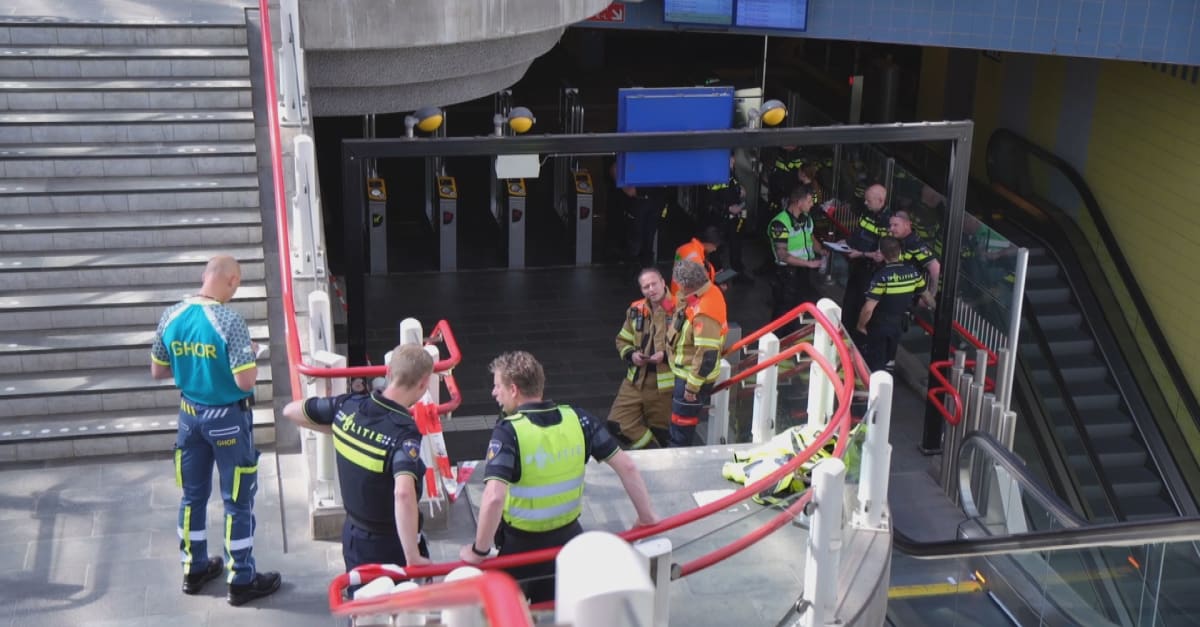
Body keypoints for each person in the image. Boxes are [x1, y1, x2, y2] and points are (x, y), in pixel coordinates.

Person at [459, 351, 659, 603]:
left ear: (513, 389)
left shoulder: (508, 432)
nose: (493, 393)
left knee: (503, 610)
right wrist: (647, 517)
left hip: (520, 547)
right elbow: (627, 467)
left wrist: (480, 550)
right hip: (568, 541)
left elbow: (494, 497)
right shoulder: (579, 419)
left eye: (497, 386)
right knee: (558, 610)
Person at [149, 255, 280, 606]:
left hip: (189, 417)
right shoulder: (230, 320)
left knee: (192, 496)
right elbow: (245, 379)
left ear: (204, 276)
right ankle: (241, 579)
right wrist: (248, 355)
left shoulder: (171, 315)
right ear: (233, 280)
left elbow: (158, 371)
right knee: (237, 500)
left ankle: (194, 569)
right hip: (228, 421)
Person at [281, 344, 434, 572]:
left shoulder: (348, 406)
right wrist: (412, 555)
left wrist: (339, 428)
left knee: (360, 600)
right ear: (423, 383)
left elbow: (291, 411)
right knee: (399, 604)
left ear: (388, 372)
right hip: (390, 545)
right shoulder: (404, 433)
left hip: (353, 535)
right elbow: (403, 493)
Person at [608, 268, 676, 449]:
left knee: (663, 431)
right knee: (617, 423)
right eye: (646, 287)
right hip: (635, 379)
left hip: (664, 386)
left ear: (663, 282)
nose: (651, 289)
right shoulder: (636, 310)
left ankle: (657, 460)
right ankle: (653, 452)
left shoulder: (679, 310)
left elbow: (689, 348)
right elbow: (622, 339)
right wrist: (632, 354)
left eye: (654, 284)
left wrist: (665, 356)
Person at [666, 260, 728, 447]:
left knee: (681, 424)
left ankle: (678, 458)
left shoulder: (704, 312)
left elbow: (706, 356)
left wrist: (691, 388)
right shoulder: (707, 292)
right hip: (687, 372)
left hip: (690, 378)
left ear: (686, 285)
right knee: (681, 422)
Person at [856, 237, 928, 373]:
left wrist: (861, 325)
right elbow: (927, 296)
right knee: (889, 361)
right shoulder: (913, 272)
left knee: (875, 364)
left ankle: (874, 390)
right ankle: (887, 383)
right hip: (899, 325)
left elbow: (868, 309)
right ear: (900, 252)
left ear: (882, 253)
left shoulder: (881, 276)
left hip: (880, 326)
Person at [768, 184, 828, 337]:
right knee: (783, 313)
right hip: (786, 274)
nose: (812, 204)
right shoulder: (780, 223)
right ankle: (774, 345)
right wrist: (809, 263)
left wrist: (821, 250)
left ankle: (789, 342)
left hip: (803, 273)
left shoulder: (806, 219)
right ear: (798, 202)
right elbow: (782, 255)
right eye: (809, 201)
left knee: (798, 311)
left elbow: (811, 238)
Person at [842, 184, 892, 340]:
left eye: (869, 200)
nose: (865, 203)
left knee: (861, 309)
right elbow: (858, 234)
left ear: (880, 200)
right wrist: (846, 243)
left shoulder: (888, 221)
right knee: (848, 306)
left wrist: (861, 254)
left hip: (871, 273)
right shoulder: (867, 212)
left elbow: (881, 255)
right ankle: (843, 338)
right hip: (857, 268)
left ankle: (856, 343)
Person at [698, 155, 747, 277]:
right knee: (717, 249)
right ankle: (718, 278)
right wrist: (728, 208)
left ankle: (739, 275)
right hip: (718, 219)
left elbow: (732, 189)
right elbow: (710, 201)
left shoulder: (731, 173)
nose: (733, 161)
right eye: (731, 159)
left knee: (736, 247)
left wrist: (740, 191)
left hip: (733, 218)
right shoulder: (716, 176)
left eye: (734, 158)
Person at [888, 210, 941, 304]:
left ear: (907, 225)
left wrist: (931, 296)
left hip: (908, 296)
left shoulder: (915, 243)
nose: (891, 228)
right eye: (890, 225)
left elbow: (935, 268)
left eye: (896, 225)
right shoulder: (897, 239)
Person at [671, 226, 719, 295]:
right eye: (715, 246)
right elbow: (701, 286)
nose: (715, 249)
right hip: (687, 300)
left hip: (677, 293)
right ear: (708, 243)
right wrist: (718, 288)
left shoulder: (682, 249)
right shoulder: (695, 256)